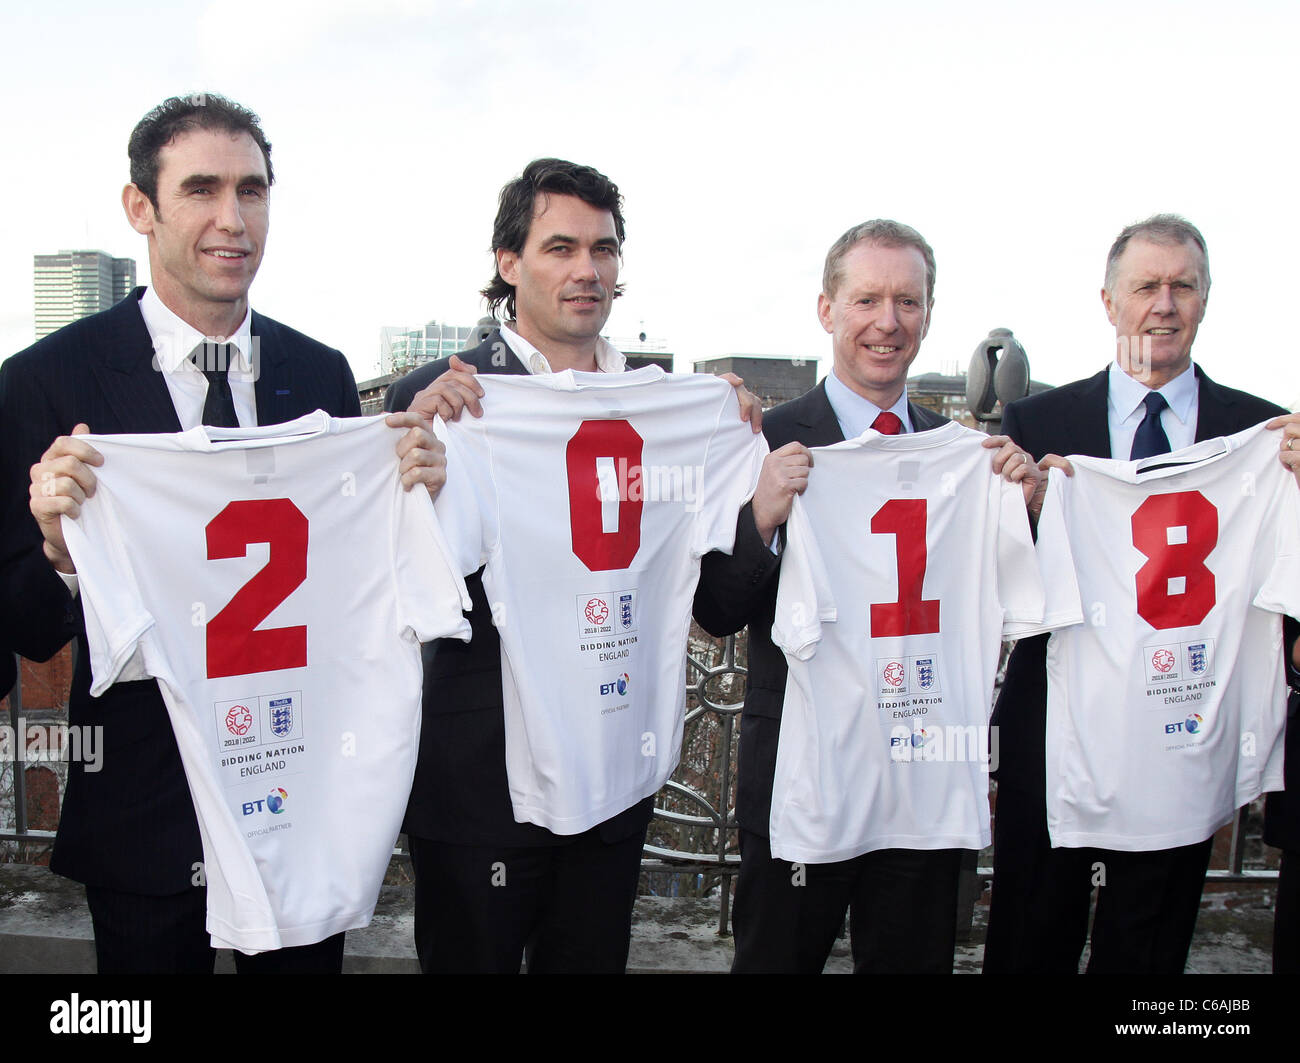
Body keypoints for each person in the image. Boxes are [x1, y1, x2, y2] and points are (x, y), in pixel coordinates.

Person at [0, 92, 444, 974]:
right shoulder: (45, 381)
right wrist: (62, 557)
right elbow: (21, 621)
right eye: (201, 189)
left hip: (300, 797)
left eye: (252, 190)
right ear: (141, 208)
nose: (231, 219)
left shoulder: (318, 371)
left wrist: (411, 492)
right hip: (144, 807)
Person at [387, 158, 762, 974]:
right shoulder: (443, 399)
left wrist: (738, 459)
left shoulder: (666, 401)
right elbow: (381, 583)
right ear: (509, 264)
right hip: (479, 785)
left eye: (604, 248)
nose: (587, 269)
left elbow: (719, 596)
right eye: (560, 247)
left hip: (611, 771)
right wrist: (404, 467)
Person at [692, 219, 1039, 973]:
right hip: (799, 775)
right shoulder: (762, 437)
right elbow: (714, 610)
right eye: (868, 300)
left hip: (920, 776)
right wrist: (761, 516)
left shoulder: (968, 459)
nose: (888, 322)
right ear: (827, 309)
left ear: (928, 315)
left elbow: (1020, 601)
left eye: (908, 302)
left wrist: (1025, 503)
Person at [983, 213, 1300, 974]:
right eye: (1147, 286)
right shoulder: (1038, 421)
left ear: (1206, 300)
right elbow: (997, 588)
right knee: (1031, 942)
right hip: (1056, 737)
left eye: (1182, 286)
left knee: (1149, 954)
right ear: (1108, 301)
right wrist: (1023, 511)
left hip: (1180, 736)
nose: (1164, 303)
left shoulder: (1260, 433)